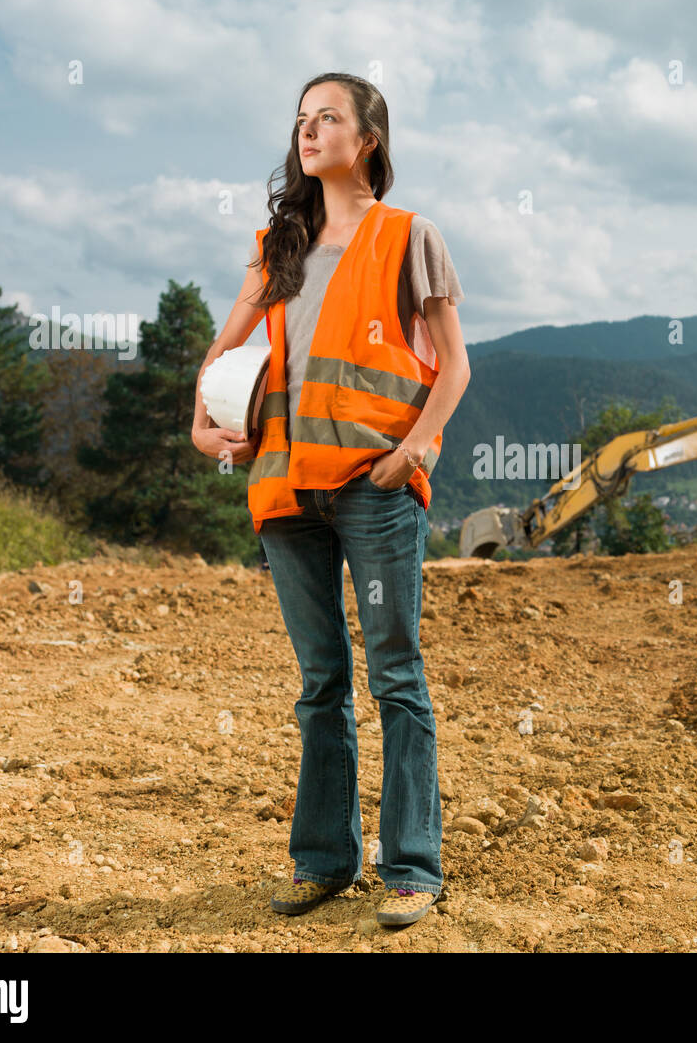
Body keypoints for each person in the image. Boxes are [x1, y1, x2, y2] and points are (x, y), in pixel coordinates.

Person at [191, 72, 470, 928]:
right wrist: (201, 426)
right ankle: (324, 861)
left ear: (368, 140)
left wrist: (414, 451)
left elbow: (453, 365)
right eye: (301, 121)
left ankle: (412, 866)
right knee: (321, 683)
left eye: (329, 117)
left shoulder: (408, 235)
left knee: (394, 675)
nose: (309, 132)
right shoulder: (275, 242)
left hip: (373, 491)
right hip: (283, 491)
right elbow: (223, 351)